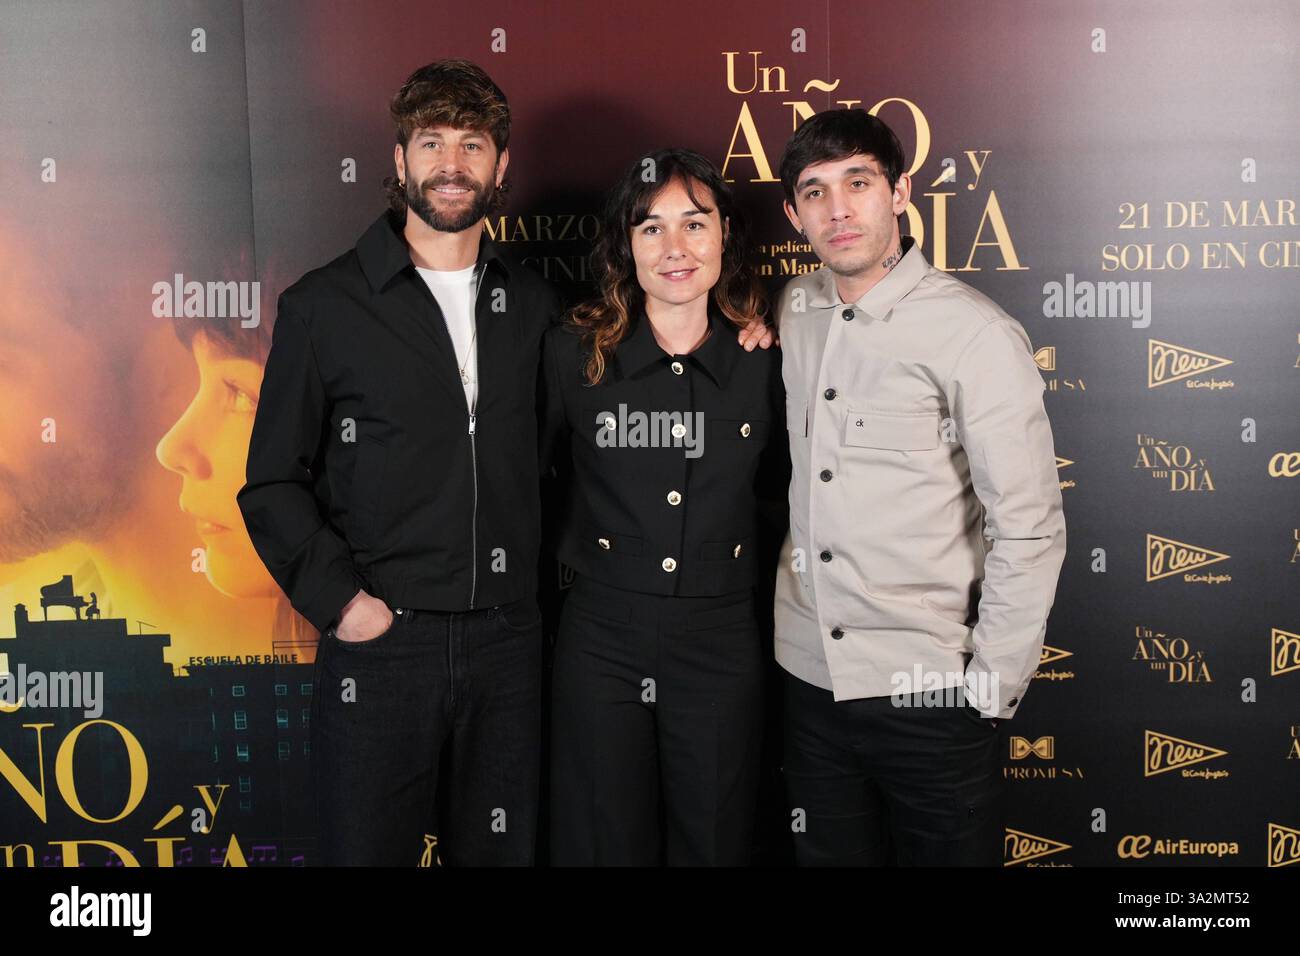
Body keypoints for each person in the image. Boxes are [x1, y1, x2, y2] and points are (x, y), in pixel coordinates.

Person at [237, 59, 559, 866]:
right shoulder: (324, 306)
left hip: (509, 646)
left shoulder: (534, 303)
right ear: (400, 160)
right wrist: (345, 605)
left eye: (473, 145)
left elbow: (571, 454)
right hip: (383, 649)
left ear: (502, 166)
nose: (452, 164)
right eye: (432, 142)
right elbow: (273, 482)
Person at [771, 109, 1067, 865]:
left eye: (858, 183)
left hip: (931, 696)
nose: (838, 209)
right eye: (815, 191)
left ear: (901, 192)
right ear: (792, 213)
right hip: (808, 684)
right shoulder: (794, 311)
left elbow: (1029, 528)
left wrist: (987, 692)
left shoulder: (973, 334)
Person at [540, 148, 789, 865]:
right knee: (601, 840)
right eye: (651, 228)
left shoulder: (768, 358)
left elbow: (784, 490)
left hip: (722, 638)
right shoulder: (572, 355)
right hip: (600, 639)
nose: (674, 249)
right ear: (626, 244)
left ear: (725, 238)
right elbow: (529, 485)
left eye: (694, 224)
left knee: (716, 838)